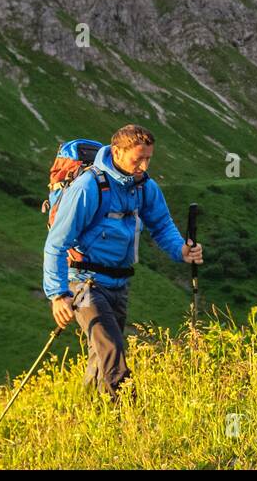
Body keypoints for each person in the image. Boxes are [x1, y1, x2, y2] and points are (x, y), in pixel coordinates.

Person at [43, 124, 203, 397]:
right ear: (116, 152)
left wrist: (181, 250)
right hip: (84, 283)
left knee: (102, 354)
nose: (143, 165)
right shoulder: (88, 186)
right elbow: (57, 242)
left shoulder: (144, 187)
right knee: (113, 352)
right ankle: (129, 415)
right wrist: (58, 294)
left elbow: (162, 225)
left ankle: (91, 418)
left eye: (148, 158)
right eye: (137, 159)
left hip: (119, 282)